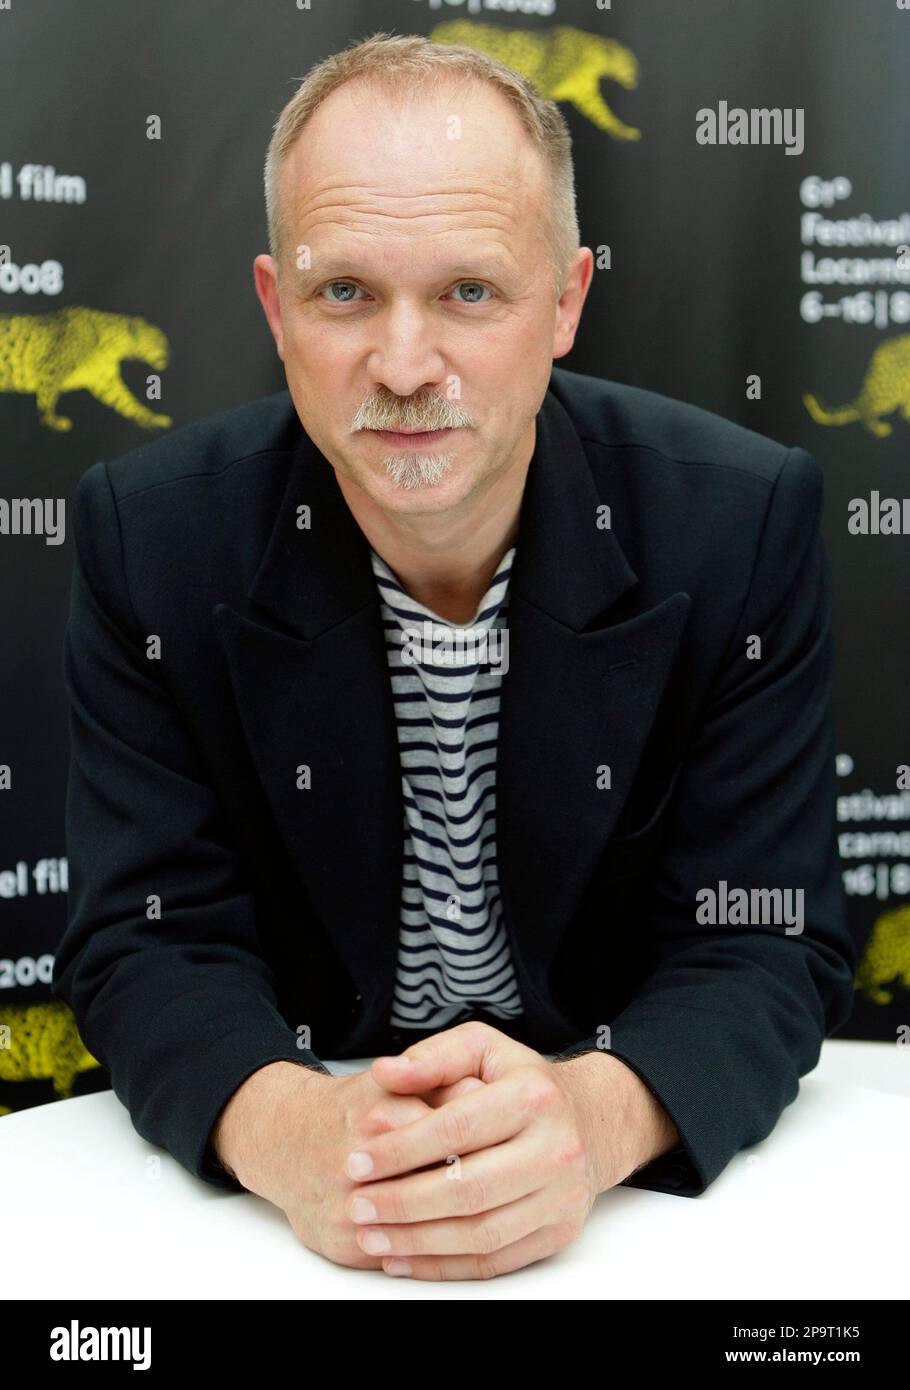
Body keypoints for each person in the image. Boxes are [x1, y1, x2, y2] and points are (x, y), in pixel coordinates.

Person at [53, 31, 856, 1282]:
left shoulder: (738, 522)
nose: (407, 366)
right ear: (274, 306)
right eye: (345, 294)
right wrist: (296, 1129)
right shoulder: (148, 538)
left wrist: (592, 1119)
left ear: (567, 300)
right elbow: (144, 939)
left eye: (471, 292)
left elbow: (762, 934)